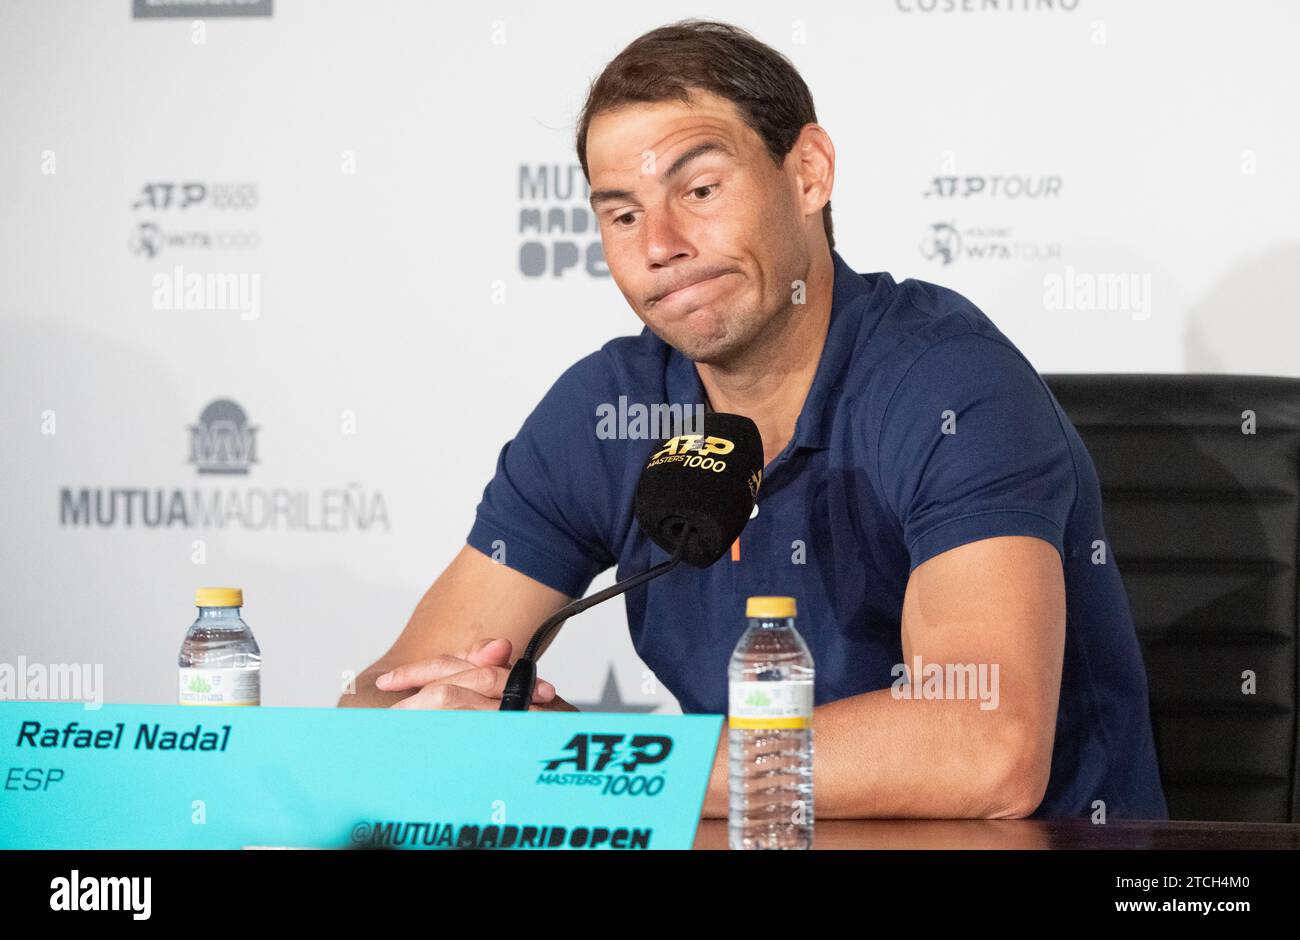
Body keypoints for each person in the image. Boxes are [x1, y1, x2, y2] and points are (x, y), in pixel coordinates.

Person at [340, 19, 1167, 821]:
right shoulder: (609, 412)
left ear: (808, 173)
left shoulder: (951, 388)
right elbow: (383, 702)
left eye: (699, 191)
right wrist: (439, 729)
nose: (659, 243)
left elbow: (984, 750)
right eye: (622, 214)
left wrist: (589, 763)